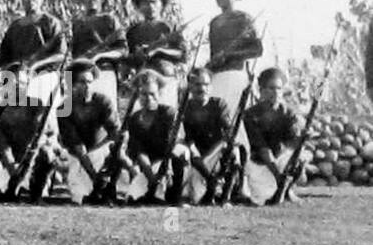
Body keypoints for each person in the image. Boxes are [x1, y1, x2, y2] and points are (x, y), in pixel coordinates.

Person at [0, 61, 55, 203]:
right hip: (9, 165)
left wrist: (28, 163)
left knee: (48, 154)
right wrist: (14, 169)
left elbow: (46, 136)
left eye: (22, 83)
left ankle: (36, 194)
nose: (18, 87)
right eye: (14, 83)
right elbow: (1, 145)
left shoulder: (38, 107)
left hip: (33, 163)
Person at [114, 69, 185, 205]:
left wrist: (167, 169)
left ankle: (176, 196)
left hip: (169, 165)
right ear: (138, 95)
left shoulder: (169, 114)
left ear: (159, 93)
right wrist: (152, 178)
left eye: (152, 94)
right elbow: (139, 152)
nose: (149, 99)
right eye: (144, 94)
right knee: (134, 198)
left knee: (181, 152)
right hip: (149, 168)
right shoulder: (134, 119)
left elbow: (174, 143)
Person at [58, 59, 121, 204]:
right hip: (78, 158)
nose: (87, 86)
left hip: (101, 151)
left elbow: (115, 132)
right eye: (82, 82)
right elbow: (76, 146)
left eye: (90, 82)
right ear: (72, 84)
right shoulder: (64, 108)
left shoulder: (103, 101)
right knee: (79, 196)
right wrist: (94, 177)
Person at [242, 67, 307, 205]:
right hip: (259, 164)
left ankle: (287, 190)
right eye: (271, 88)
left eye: (279, 88)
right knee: (264, 197)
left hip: (279, 161)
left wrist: (302, 137)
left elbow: (292, 142)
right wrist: (278, 176)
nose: (275, 92)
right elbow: (262, 149)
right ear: (261, 90)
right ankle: (280, 188)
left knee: (300, 157)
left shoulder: (289, 113)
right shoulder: (250, 115)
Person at [180, 67, 244, 205]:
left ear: (211, 87)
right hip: (197, 158)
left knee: (235, 151)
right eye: (197, 84)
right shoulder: (185, 108)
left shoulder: (219, 104)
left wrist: (208, 160)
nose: (202, 89)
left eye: (206, 84)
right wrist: (203, 167)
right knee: (197, 196)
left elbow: (228, 135)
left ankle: (227, 196)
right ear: (190, 86)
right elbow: (188, 140)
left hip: (216, 154)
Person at [0, 0, 66, 104]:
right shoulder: (15, 27)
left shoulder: (50, 23)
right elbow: (4, 59)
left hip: (44, 77)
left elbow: (60, 54)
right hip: (18, 80)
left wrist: (35, 66)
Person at [125, 0, 188, 109]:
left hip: (166, 80)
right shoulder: (133, 31)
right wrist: (137, 56)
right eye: (145, 2)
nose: (150, 6)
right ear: (138, 5)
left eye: (154, 2)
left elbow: (182, 54)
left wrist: (159, 51)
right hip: (143, 83)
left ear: (161, 3)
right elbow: (127, 59)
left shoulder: (170, 28)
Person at [205, 0, 262, 111]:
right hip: (216, 78)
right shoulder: (214, 23)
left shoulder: (244, 19)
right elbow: (213, 54)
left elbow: (257, 50)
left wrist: (228, 56)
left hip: (235, 76)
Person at [70, 0, 125, 107]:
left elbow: (121, 50)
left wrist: (99, 56)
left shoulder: (110, 20)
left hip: (103, 73)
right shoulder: (76, 23)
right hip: (81, 76)